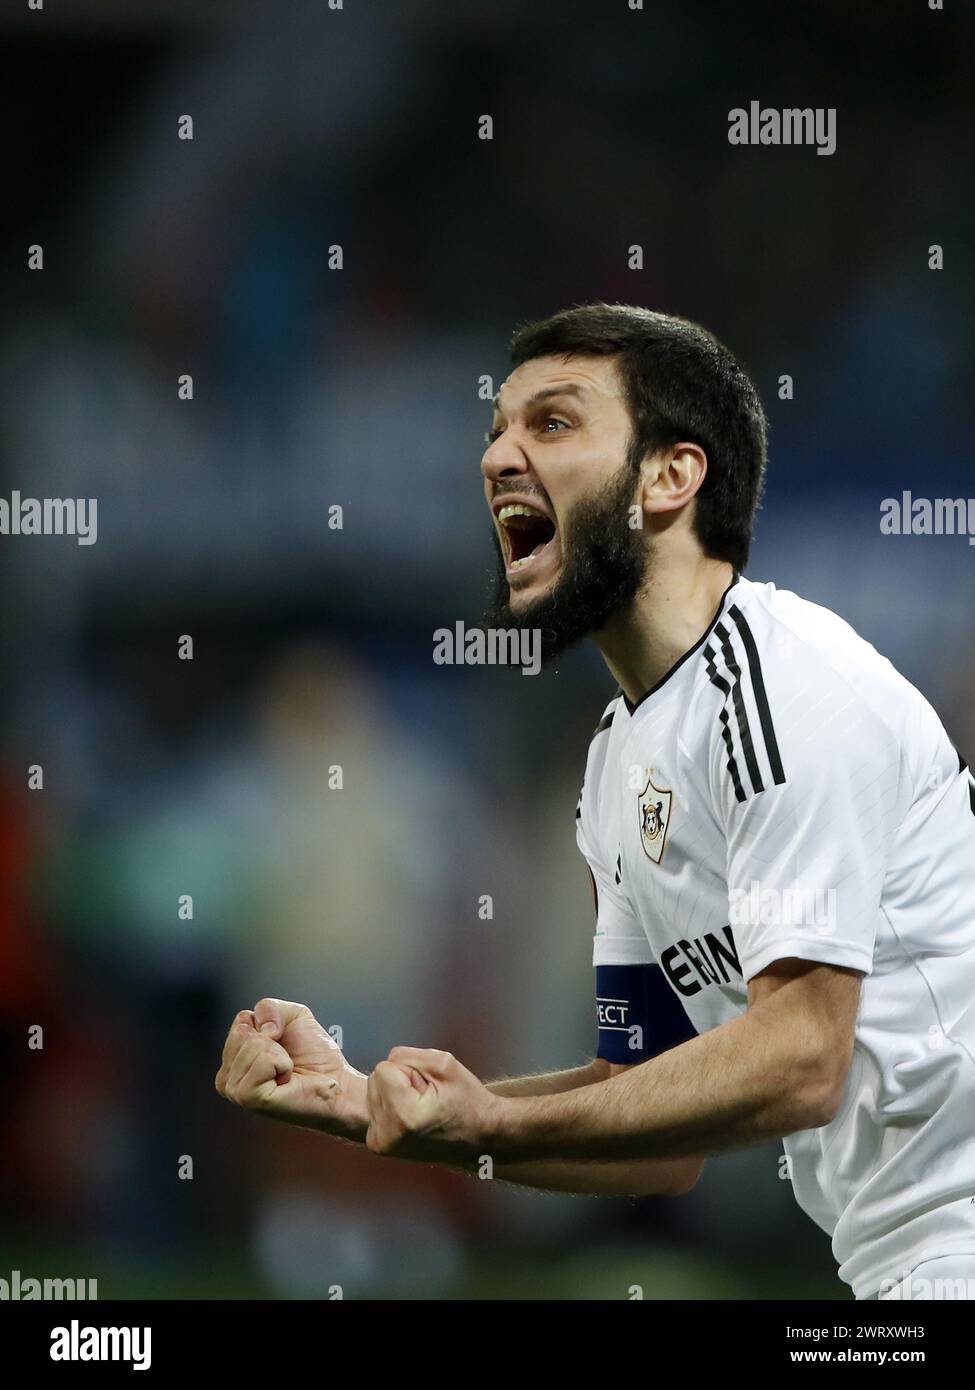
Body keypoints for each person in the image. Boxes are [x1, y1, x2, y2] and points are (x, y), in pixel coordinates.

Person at [216, 304, 975, 1301]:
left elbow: (802, 1058)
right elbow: (646, 1126)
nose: (498, 458)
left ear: (671, 476)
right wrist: (379, 1109)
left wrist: (489, 1123)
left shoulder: (786, 693)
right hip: (896, 1268)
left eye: (554, 423)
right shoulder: (621, 763)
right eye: (498, 428)